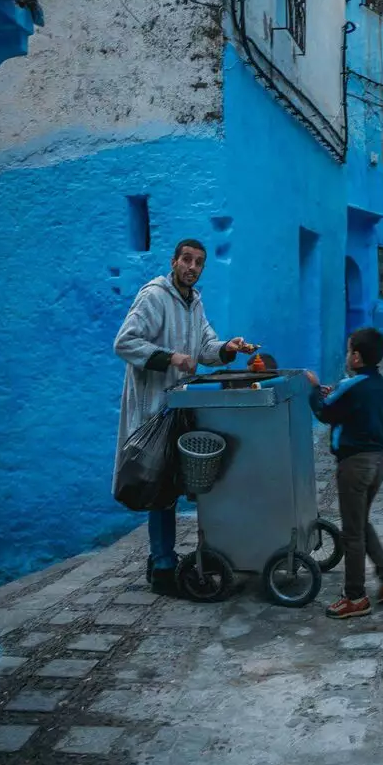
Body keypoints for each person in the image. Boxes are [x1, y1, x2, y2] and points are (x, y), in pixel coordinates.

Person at [113, 238, 257, 597]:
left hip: (179, 407)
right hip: (154, 408)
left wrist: (228, 349)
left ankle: (162, 559)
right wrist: (171, 358)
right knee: (161, 488)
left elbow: (206, 348)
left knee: (174, 484)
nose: (192, 268)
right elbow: (124, 343)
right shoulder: (154, 297)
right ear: (173, 261)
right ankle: (162, 567)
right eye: (187, 260)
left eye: (199, 263)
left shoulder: (195, 304)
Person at [305, 327, 383, 618]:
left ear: (357, 357)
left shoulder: (352, 386)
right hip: (377, 463)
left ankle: (355, 596)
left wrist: (313, 390)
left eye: (349, 351)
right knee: (360, 521)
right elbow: (346, 402)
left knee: (352, 532)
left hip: (354, 465)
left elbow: (325, 413)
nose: (347, 355)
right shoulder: (380, 384)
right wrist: (332, 393)